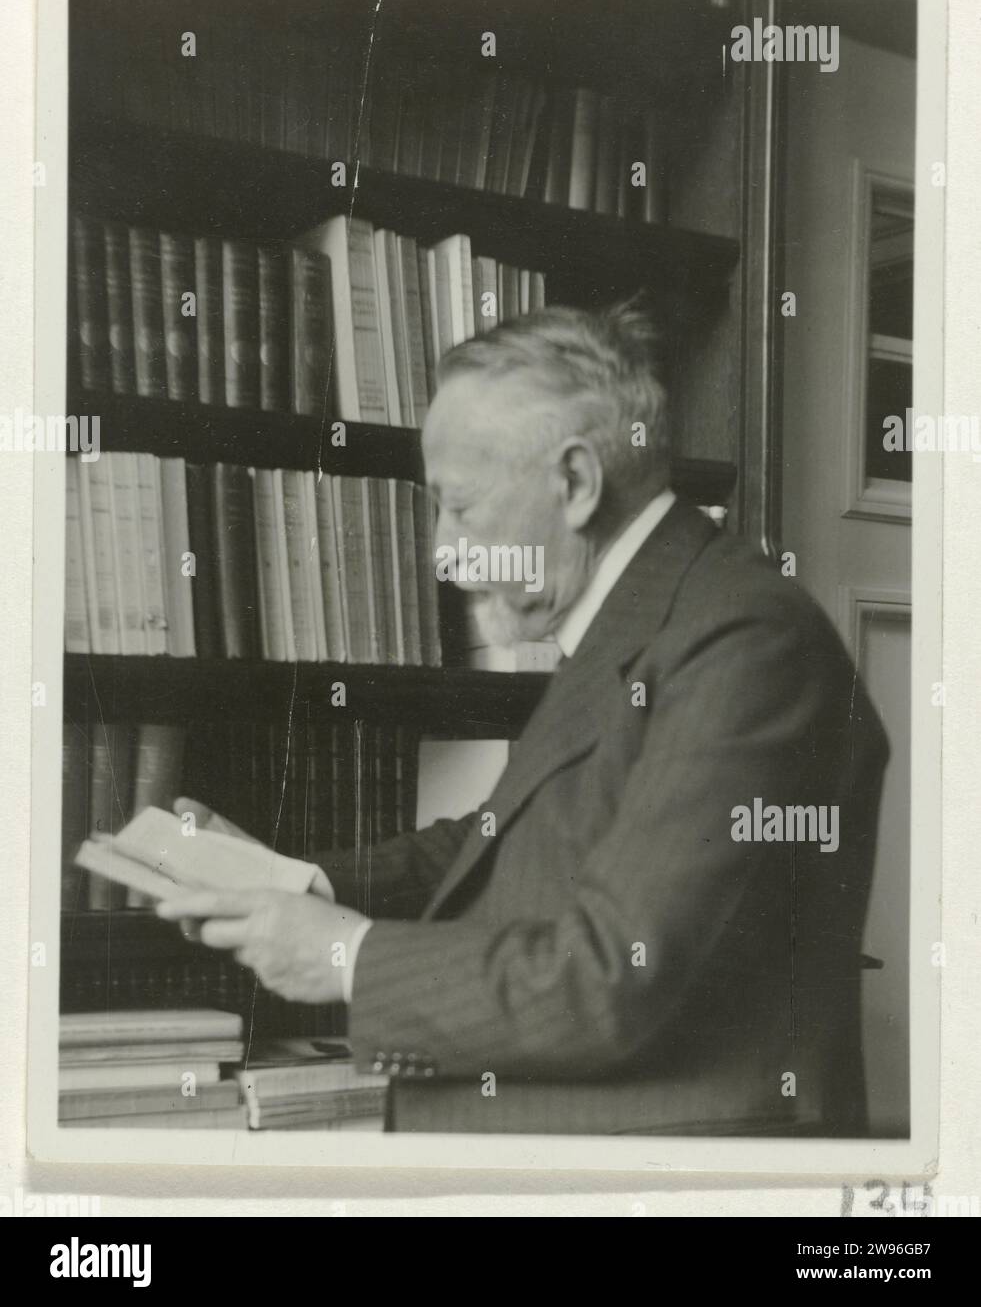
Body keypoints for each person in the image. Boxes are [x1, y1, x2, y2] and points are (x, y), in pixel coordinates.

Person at [159, 301, 889, 1136]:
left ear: (574, 483)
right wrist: (296, 883)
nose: (439, 549)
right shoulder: (645, 618)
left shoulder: (747, 642)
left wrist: (344, 954)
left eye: (460, 507)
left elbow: (615, 978)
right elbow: (507, 838)